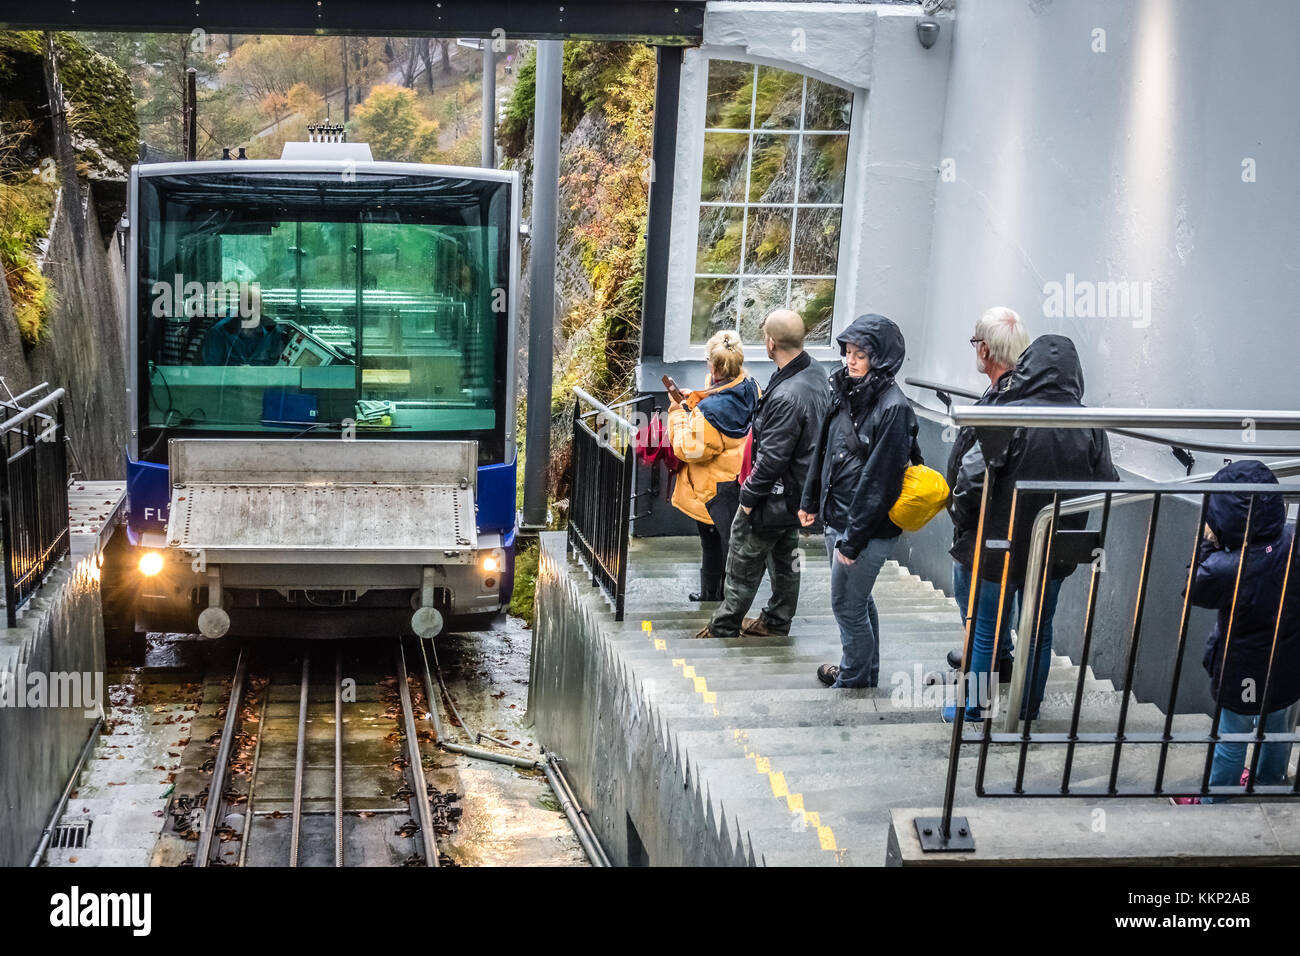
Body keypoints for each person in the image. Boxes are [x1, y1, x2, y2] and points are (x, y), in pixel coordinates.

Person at [946, 334, 1118, 722]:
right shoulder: (1089, 423)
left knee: (986, 629)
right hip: (1055, 548)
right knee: (1038, 630)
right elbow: (1107, 480)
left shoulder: (1008, 413)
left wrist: (965, 518)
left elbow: (972, 477)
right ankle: (1028, 708)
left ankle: (974, 708)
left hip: (999, 544)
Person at [693, 310, 829, 640]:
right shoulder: (816, 373)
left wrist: (749, 499)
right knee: (785, 559)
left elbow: (772, 458)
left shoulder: (786, 395)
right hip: (797, 493)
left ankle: (723, 626)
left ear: (770, 343)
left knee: (742, 556)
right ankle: (777, 621)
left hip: (774, 495)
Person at [799, 314, 918, 688]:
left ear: (880, 359)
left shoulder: (893, 408)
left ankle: (852, 678)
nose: (850, 361)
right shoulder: (846, 392)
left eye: (860, 355)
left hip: (865, 530)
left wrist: (853, 540)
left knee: (846, 605)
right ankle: (865, 672)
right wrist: (810, 500)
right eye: (848, 352)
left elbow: (880, 481)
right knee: (859, 601)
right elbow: (824, 447)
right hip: (840, 518)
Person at [1177, 460, 1300, 803]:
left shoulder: (1224, 567)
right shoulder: (1294, 539)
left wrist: (1207, 540)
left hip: (1243, 669)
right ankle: (1269, 781)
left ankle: (1217, 798)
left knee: (1232, 735)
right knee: (1278, 728)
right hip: (1289, 661)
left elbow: (1193, 587)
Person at [944, 307, 1030, 678]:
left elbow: (975, 473)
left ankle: (982, 682)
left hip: (982, 525)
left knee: (976, 608)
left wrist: (960, 514)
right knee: (994, 608)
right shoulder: (1018, 393)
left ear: (985, 350)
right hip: (1004, 523)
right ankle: (1003, 656)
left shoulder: (1002, 402)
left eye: (975, 342)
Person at [666, 329, 759, 603]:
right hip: (737, 478)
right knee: (729, 540)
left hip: (712, 487)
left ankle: (713, 596)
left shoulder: (711, 414)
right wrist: (695, 400)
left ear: (714, 365)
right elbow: (721, 399)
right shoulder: (751, 387)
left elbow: (687, 449)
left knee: (711, 541)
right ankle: (720, 594)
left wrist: (676, 411)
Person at [200, 287, 283, 366]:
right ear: (240, 306)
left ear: (262, 307)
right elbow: (211, 368)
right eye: (249, 305)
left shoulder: (273, 331)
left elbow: (276, 367)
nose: (253, 311)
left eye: (257, 305)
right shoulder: (220, 331)